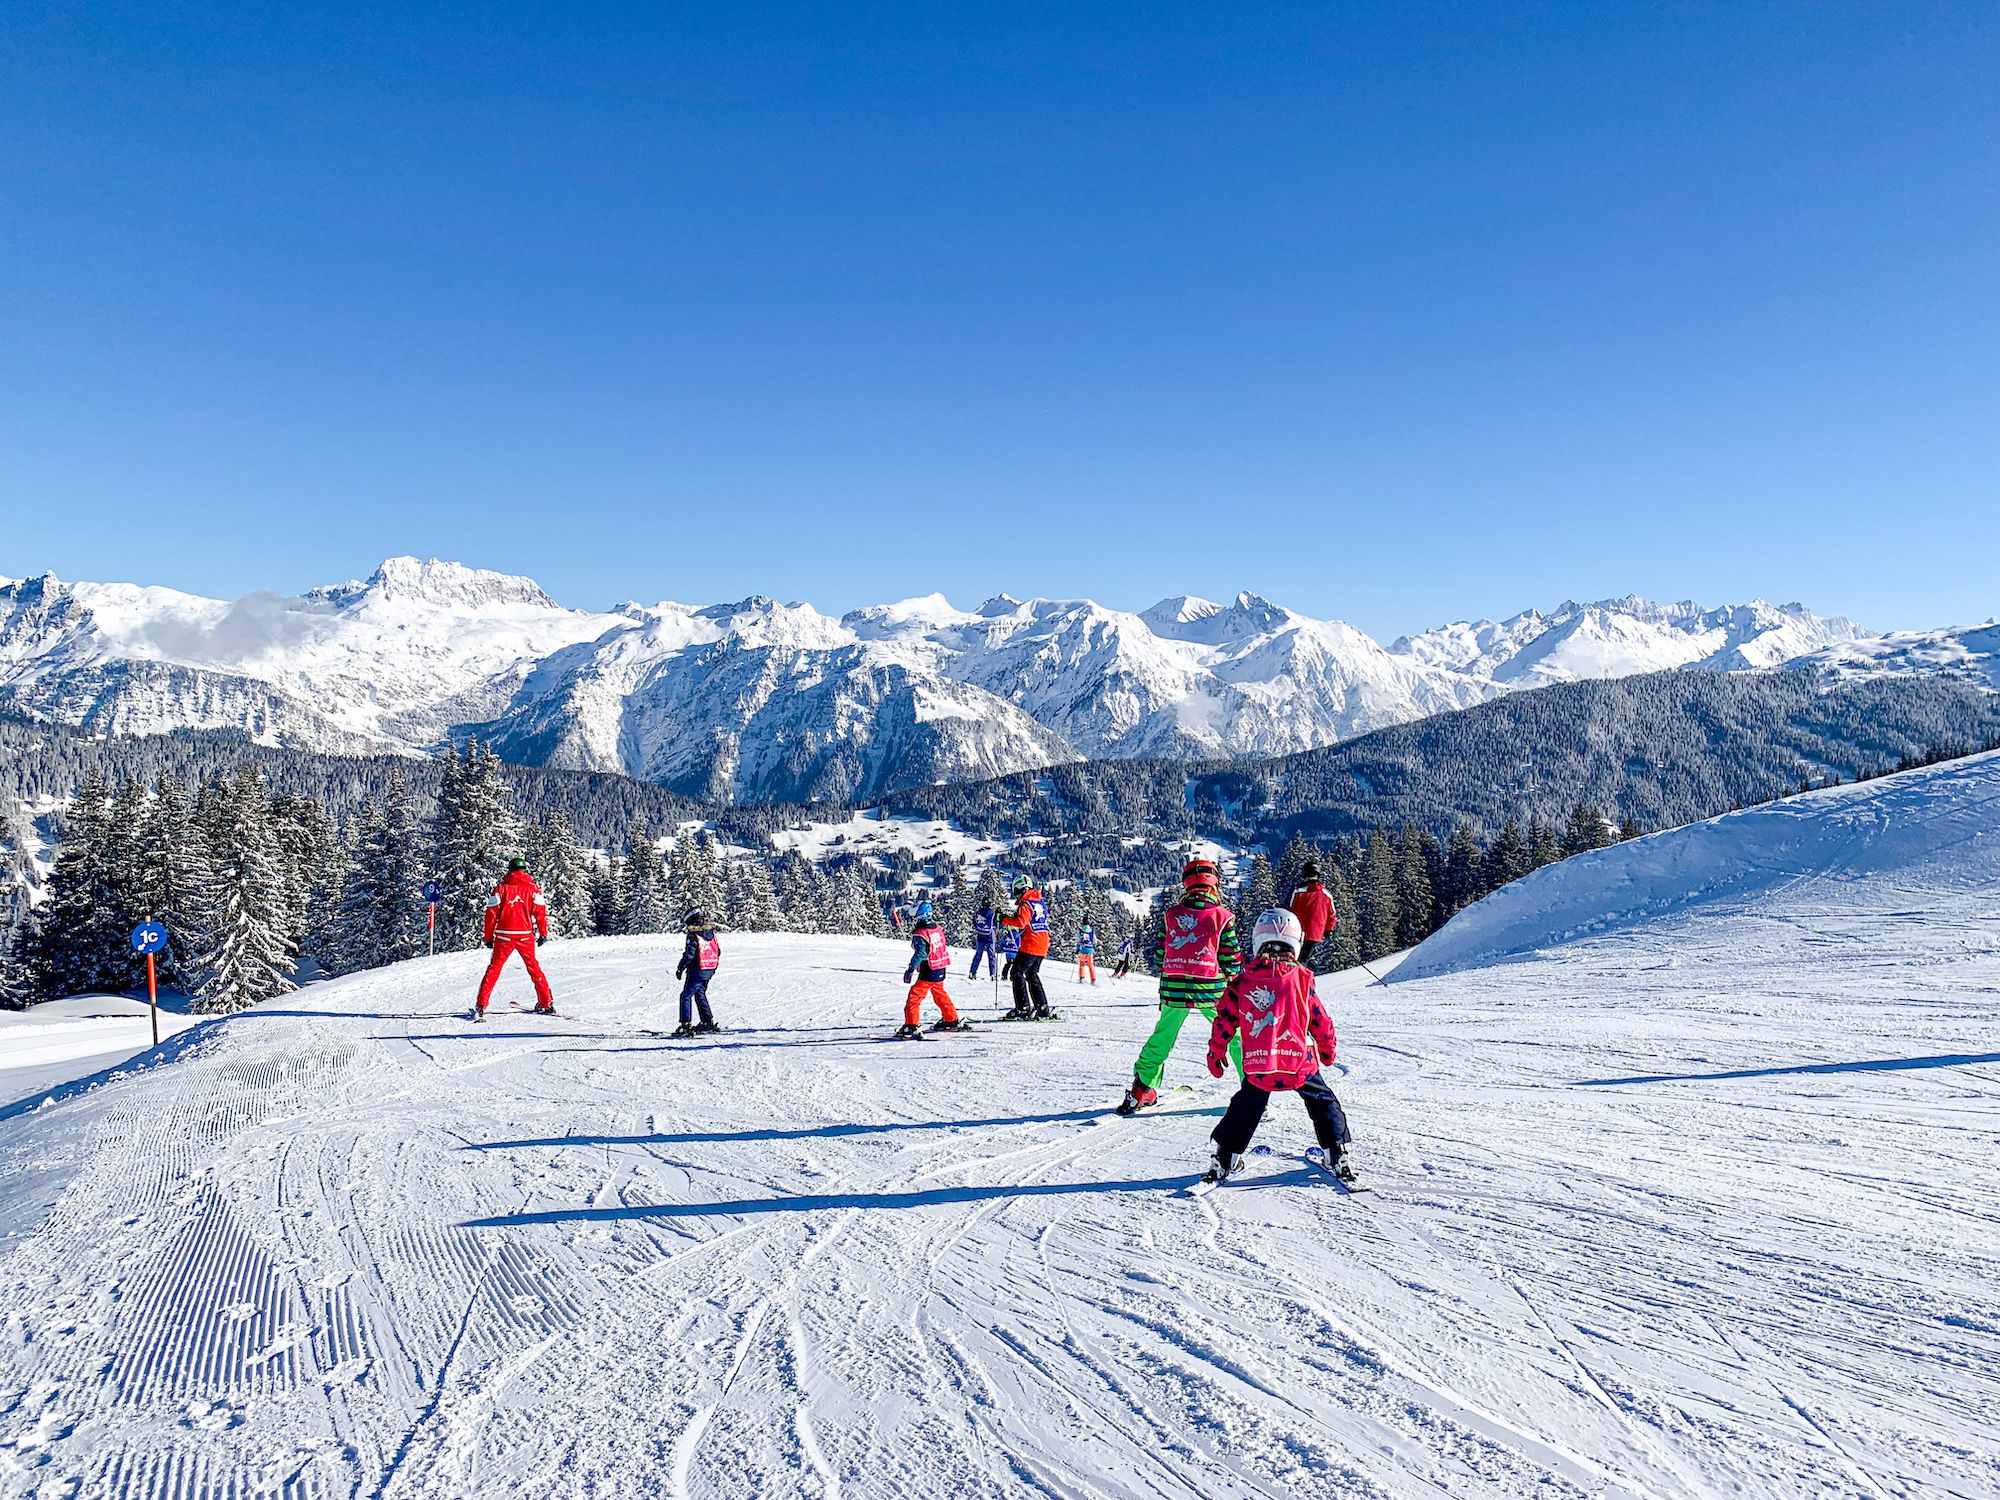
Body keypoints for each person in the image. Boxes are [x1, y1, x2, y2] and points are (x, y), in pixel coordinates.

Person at [1202, 908, 1352, 1184]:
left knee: (1246, 1106)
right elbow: (1319, 1019)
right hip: (1299, 1064)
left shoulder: (1242, 982)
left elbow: (1224, 1018)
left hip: (1260, 1065)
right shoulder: (1301, 979)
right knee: (1323, 1101)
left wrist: (1217, 1051)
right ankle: (1335, 1152)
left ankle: (1225, 1158)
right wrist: (1327, 1049)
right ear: (1296, 943)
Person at [1115, 858, 1243, 1113]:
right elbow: (1232, 958)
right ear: (1214, 884)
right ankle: (1253, 1092)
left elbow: (1159, 955)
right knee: (1235, 1036)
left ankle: (1141, 1090)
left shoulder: (1171, 915)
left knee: (1163, 1037)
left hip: (1173, 988)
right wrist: (1232, 982)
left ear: (1186, 884)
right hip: (1211, 989)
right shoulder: (1222, 917)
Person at [475, 856, 554, 1020]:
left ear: (510, 870)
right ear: (525, 870)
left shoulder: (500, 889)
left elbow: (490, 916)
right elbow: (540, 913)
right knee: (534, 968)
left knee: (494, 969)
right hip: (525, 935)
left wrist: (488, 937)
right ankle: (546, 1001)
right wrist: (543, 933)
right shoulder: (533, 889)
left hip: (503, 936)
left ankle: (482, 1004)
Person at [898, 900, 968, 1038]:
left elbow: (921, 954)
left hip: (929, 969)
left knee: (915, 997)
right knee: (939, 994)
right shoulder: (937, 928)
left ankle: (911, 1025)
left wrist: (911, 969)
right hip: (941, 966)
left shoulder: (921, 933)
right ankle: (951, 1019)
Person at [1000, 875, 1053, 1019]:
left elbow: (1020, 922)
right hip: (1043, 944)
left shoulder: (1025, 904)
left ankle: (1022, 1008)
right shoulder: (1039, 902)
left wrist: (1003, 919)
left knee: (1016, 973)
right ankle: (1042, 1007)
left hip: (1031, 944)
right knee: (1031, 974)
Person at [671, 909, 724, 1037]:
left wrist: (680, 968)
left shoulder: (694, 935)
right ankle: (707, 1021)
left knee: (686, 996)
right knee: (700, 994)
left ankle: (686, 1024)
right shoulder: (711, 933)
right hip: (709, 968)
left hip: (698, 969)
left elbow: (689, 955)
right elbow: (718, 951)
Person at [1288, 861, 1336, 969]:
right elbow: (1332, 915)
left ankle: (1292, 977)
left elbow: (1289, 909)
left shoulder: (1298, 891)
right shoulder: (1326, 894)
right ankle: (1300, 975)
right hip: (1315, 934)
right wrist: (1328, 929)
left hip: (1297, 932)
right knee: (1303, 959)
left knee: (1292, 958)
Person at [968, 902, 999, 980]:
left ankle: (972, 972)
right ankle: (993, 974)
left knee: (978, 955)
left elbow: (975, 923)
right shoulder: (992, 913)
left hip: (980, 936)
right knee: (991, 956)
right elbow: (997, 925)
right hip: (989, 937)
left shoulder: (978, 913)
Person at [998, 914, 1021, 982]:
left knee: (1008, 964)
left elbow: (1003, 941)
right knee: (1014, 965)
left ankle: (1004, 975)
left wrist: (1002, 947)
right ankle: (1012, 976)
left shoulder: (1008, 935)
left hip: (1008, 952)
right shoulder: (1018, 935)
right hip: (1015, 952)